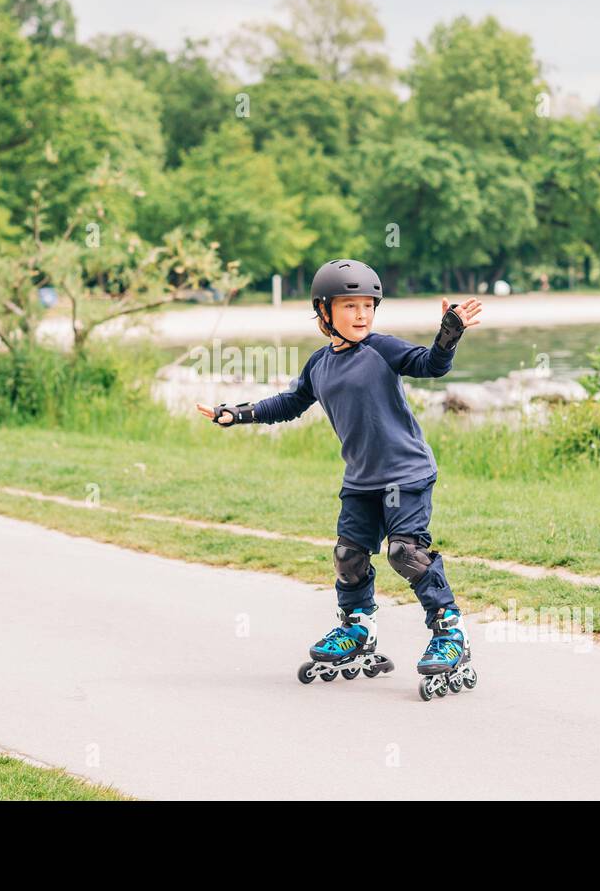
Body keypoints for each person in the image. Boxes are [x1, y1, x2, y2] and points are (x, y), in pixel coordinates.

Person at [196, 259, 483, 683]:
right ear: (325, 312)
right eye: (350, 306)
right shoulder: (319, 364)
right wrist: (238, 414)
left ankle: (449, 631)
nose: (362, 314)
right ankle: (357, 628)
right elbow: (289, 404)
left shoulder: (381, 348)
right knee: (348, 557)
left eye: (368, 305)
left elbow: (431, 365)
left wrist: (448, 334)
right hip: (360, 480)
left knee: (405, 554)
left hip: (406, 474)